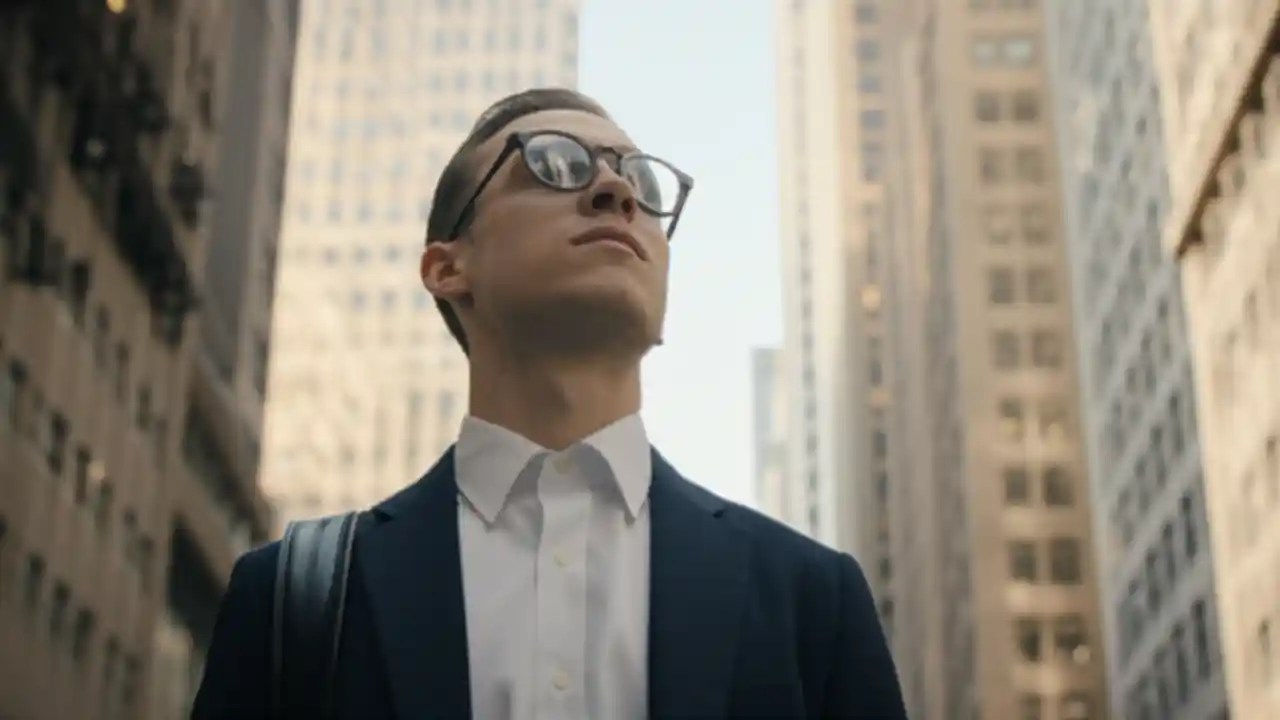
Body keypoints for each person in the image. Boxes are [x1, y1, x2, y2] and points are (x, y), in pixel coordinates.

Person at [191, 88, 906, 719]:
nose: (615, 193)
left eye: (640, 180)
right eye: (555, 164)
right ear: (447, 268)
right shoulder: (295, 601)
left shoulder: (813, 600)